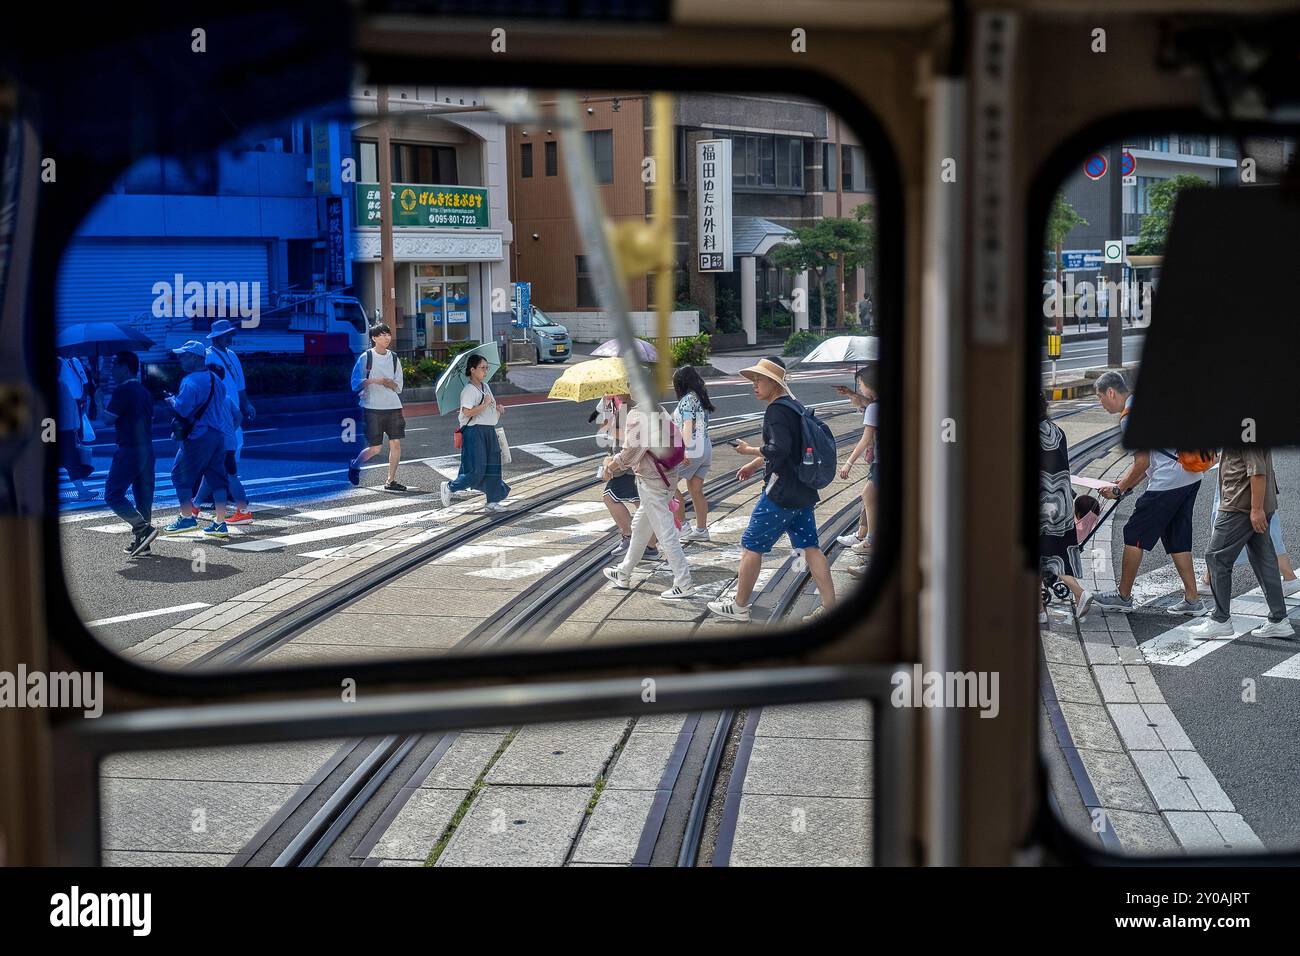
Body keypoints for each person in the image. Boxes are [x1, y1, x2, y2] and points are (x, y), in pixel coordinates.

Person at [707, 357, 835, 624]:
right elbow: (790, 449)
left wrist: (749, 450)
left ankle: (740, 606)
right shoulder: (794, 406)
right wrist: (755, 464)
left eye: (759, 380)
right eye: (753, 380)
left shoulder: (776, 411)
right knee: (811, 548)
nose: (754, 385)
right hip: (803, 490)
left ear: (774, 382)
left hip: (781, 494)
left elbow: (779, 449)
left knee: (751, 546)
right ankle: (830, 607)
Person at [1091, 370, 1206, 616]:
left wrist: (1119, 489)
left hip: (1168, 481)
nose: (1100, 403)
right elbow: (1150, 461)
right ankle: (1193, 600)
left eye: (1100, 397)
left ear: (1111, 392)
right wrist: (1123, 484)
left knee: (1133, 533)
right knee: (1177, 536)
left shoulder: (1129, 417)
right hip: (1190, 475)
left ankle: (1123, 596)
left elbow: (1142, 462)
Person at [1188, 445, 1294, 639]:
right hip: (1250, 503)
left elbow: (1257, 470)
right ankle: (1279, 619)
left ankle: (1220, 620)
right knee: (1264, 559)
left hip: (1240, 505)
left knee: (1216, 557)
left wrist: (1256, 509)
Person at [600, 402, 694, 600]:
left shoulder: (637, 413)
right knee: (640, 528)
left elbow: (630, 453)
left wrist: (611, 465)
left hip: (651, 481)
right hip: (668, 477)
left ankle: (683, 583)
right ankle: (624, 573)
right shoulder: (659, 408)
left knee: (666, 532)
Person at [162, 341, 230, 537]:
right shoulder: (217, 379)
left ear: (195, 357)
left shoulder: (190, 381)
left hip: (198, 436)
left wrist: (172, 400)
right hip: (218, 434)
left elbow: (183, 408)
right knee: (216, 480)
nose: (180, 359)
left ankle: (186, 518)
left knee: (179, 476)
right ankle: (220, 523)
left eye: (184, 355)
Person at [1037, 394, 1095, 617]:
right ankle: (1076, 594)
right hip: (1060, 502)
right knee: (1054, 552)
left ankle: (1046, 606)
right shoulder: (1055, 431)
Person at [98, 352, 157, 556]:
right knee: (144, 497)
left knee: (113, 494)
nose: (112, 370)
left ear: (124, 367)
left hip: (129, 450)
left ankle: (142, 529)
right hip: (147, 449)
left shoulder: (122, 390)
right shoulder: (144, 391)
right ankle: (144, 543)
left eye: (114, 365)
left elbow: (107, 419)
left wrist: (98, 401)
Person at [1198, 483, 1300, 597]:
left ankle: (1210, 580)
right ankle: (1209, 578)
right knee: (1265, 527)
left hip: (1241, 481)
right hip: (1241, 480)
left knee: (1226, 526)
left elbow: (1255, 467)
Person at [440, 353, 510, 511]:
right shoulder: (468, 390)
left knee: (493, 466)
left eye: (487, 367)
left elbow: (488, 415)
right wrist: (485, 404)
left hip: (489, 429)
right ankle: (450, 487)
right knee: (476, 470)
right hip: (474, 432)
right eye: (482, 368)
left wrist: (498, 410)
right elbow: (467, 412)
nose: (486, 371)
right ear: (472, 370)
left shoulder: (486, 387)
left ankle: (492, 501)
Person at [347, 322, 408, 493]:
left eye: (388, 334)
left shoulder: (394, 358)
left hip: (393, 407)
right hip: (372, 408)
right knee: (376, 448)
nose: (387, 337)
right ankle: (355, 464)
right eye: (382, 335)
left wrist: (390, 384)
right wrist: (373, 381)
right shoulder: (366, 357)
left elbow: (399, 386)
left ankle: (391, 480)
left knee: (396, 443)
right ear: (374, 338)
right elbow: (354, 383)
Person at [597, 393, 657, 558]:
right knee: (643, 506)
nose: (611, 392)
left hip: (629, 464)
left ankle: (629, 537)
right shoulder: (617, 405)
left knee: (609, 497)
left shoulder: (630, 406)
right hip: (634, 464)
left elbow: (631, 438)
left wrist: (612, 466)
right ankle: (650, 547)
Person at [195, 364, 252, 525]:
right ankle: (195, 505)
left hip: (220, 444)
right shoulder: (225, 397)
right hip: (227, 442)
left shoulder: (209, 398)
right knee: (210, 474)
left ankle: (243, 511)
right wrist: (231, 431)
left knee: (230, 476)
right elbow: (239, 416)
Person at [835, 366, 879, 562]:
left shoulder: (873, 408)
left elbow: (865, 439)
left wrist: (848, 463)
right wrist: (854, 396)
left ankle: (870, 540)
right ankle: (867, 537)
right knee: (870, 496)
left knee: (868, 495)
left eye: (860, 383)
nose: (860, 387)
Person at [672, 366, 715, 544]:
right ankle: (701, 530)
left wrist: (684, 449)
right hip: (705, 446)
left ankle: (682, 526)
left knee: (667, 483)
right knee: (696, 490)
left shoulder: (687, 399)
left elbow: (687, 425)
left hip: (693, 447)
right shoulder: (701, 396)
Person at [56, 355, 97, 500]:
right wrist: (75, 426)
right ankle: (82, 491)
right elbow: (68, 409)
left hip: (57, 427)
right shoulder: (60, 384)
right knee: (70, 459)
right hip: (62, 428)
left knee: (69, 459)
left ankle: (82, 491)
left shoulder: (60, 383)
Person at [205, 318, 255, 425]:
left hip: (235, 410)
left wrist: (246, 404)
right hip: (218, 412)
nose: (230, 337)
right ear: (216, 337)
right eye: (225, 334)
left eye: (230, 334)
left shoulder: (232, 354)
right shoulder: (208, 355)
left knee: (236, 440)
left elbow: (240, 384)